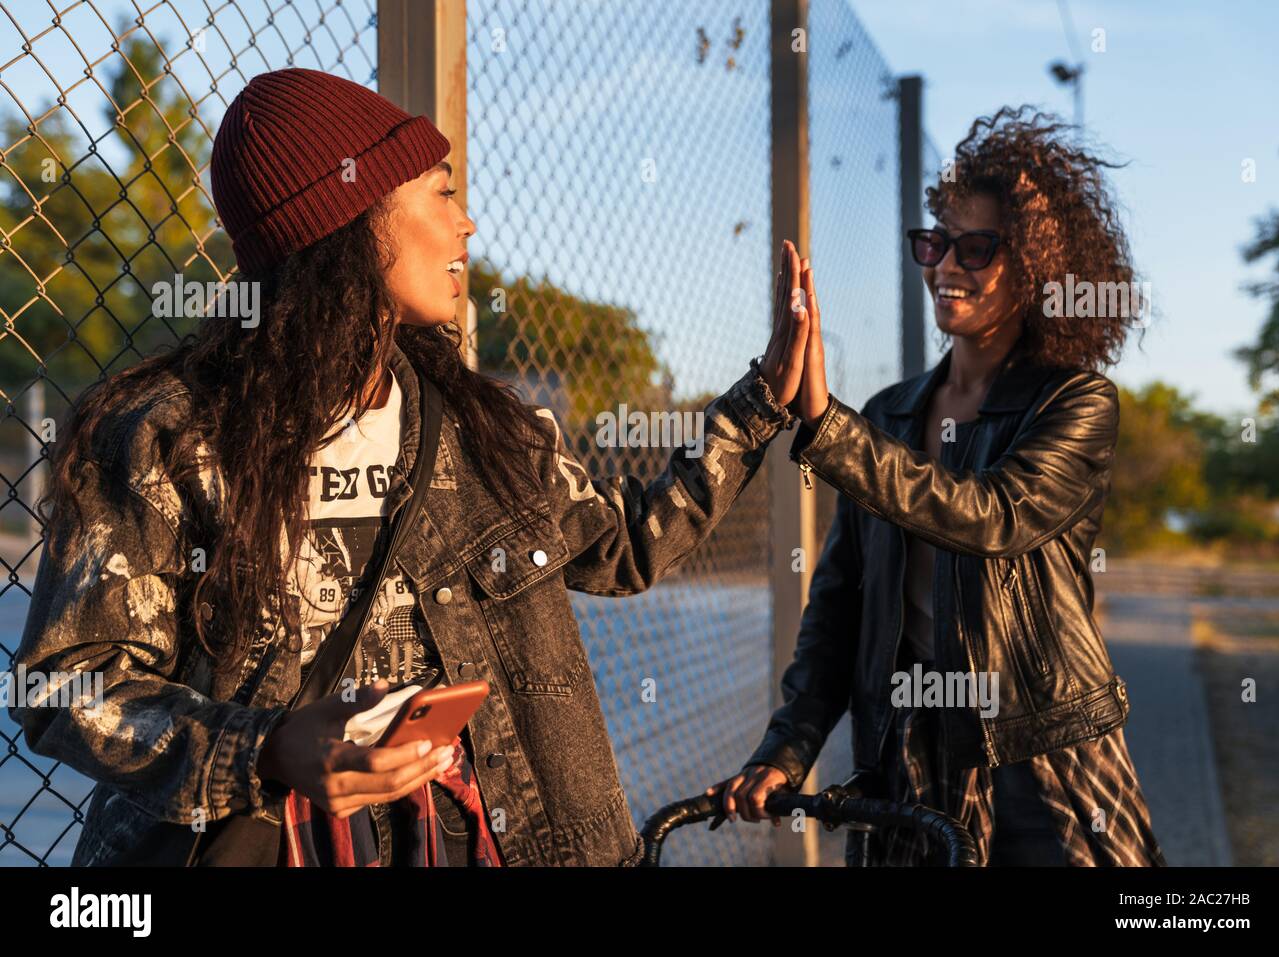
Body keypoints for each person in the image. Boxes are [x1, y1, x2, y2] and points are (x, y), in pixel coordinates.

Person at [10, 67, 815, 867]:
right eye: (440, 192)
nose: (467, 224)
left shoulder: (484, 428)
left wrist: (757, 407)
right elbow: (64, 684)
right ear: (353, 219)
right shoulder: (169, 437)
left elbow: (629, 543)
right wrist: (266, 750)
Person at [715, 107, 1167, 866]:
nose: (945, 265)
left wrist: (827, 424)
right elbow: (839, 606)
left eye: (976, 248)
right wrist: (787, 746)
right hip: (910, 753)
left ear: (1036, 267)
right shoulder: (891, 414)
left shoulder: (1075, 404)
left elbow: (991, 516)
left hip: (1041, 752)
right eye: (935, 243)